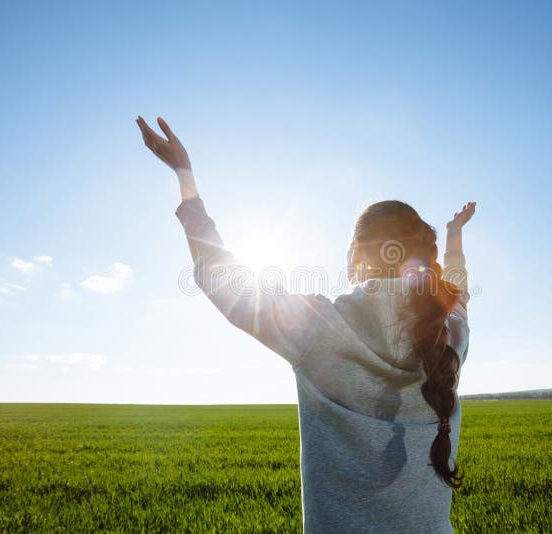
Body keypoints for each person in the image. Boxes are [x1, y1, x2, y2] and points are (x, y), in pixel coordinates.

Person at [137, 115, 476, 533]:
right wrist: (454, 236)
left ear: (355, 252)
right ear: (426, 255)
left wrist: (185, 178)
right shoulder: (450, 333)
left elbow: (221, 277)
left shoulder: (319, 328)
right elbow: (457, 287)